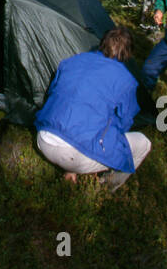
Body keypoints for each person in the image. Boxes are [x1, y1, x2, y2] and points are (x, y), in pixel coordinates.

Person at [34, 26, 151, 189]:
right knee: (143, 143)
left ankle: (71, 169)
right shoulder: (127, 81)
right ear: (128, 54)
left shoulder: (72, 60)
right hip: (74, 156)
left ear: (102, 43)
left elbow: (53, 92)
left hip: (43, 139)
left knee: (79, 121)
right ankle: (105, 187)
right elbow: (123, 123)